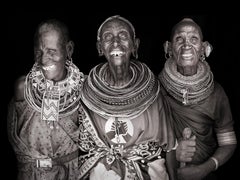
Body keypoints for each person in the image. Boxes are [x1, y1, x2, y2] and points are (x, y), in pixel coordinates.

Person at [78, 15, 177, 180]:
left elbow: (170, 147)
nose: (116, 42)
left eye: (123, 36)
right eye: (108, 37)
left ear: (135, 45)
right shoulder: (86, 93)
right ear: (100, 47)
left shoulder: (153, 93)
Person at [158, 18, 237, 180]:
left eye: (193, 39)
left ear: (204, 49)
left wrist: (205, 168)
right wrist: (171, 152)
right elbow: (139, 143)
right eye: (179, 39)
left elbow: (228, 142)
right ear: (169, 48)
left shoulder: (216, 92)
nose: (186, 45)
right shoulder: (155, 89)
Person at [7, 19, 84, 180]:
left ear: (68, 49)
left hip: (72, 174)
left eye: (51, 51)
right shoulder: (23, 88)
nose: (43, 59)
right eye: (38, 52)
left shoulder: (85, 89)